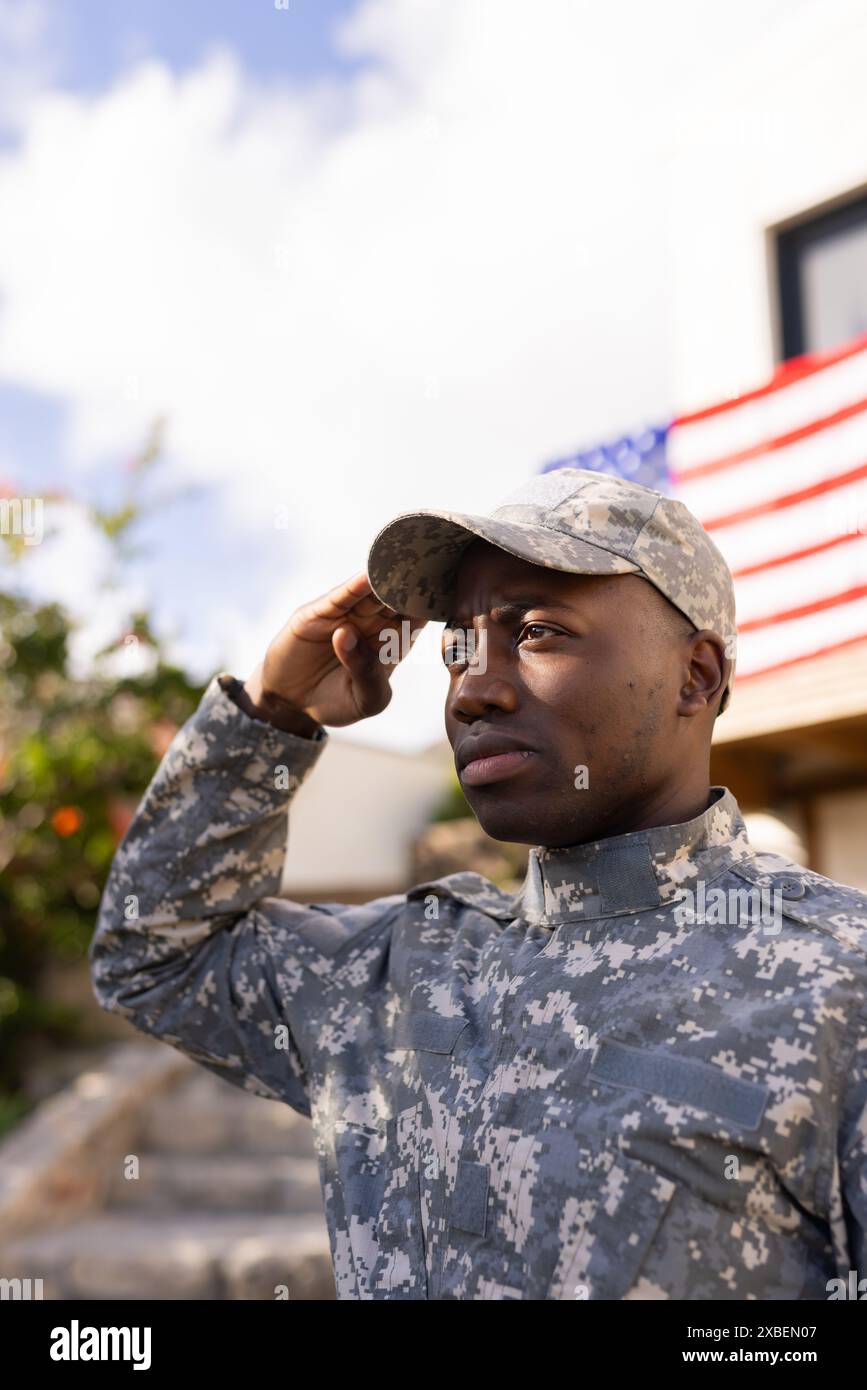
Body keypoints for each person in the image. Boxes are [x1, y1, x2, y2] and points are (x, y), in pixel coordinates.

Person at [89, 467, 867, 1300]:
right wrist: (274, 712)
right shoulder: (398, 971)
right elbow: (153, 957)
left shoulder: (836, 982)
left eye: (536, 632)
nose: (472, 689)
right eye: (458, 645)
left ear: (697, 676)